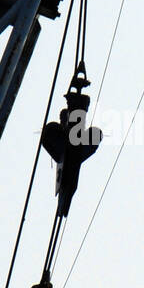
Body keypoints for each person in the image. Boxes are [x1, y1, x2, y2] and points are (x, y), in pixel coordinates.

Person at [41, 66, 103, 217]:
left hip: (72, 144)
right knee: (78, 139)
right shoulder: (61, 134)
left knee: (87, 137)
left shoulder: (69, 136)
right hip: (70, 144)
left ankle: (77, 107)